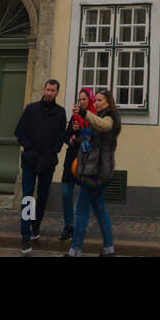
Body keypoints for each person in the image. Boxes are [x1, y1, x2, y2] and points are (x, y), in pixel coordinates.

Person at [14, 79, 67, 255]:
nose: (49, 93)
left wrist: (53, 151)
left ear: (57, 92)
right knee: (28, 196)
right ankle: (25, 234)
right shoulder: (31, 109)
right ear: (43, 90)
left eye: (53, 90)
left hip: (48, 161)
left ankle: (36, 224)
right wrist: (29, 147)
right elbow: (19, 131)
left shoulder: (60, 113)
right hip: (30, 160)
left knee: (43, 196)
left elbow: (61, 135)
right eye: (47, 89)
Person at [66, 88, 121, 257]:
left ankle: (75, 251)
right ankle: (109, 249)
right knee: (99, 210)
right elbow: (91, 138)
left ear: (108, 102)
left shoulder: (110, 116)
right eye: (95, 100)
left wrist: (84, 113)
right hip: (96, 171)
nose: (96, 103)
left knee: (80, 210)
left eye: (100, 100)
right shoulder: (96, 117)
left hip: (95, 172)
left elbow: (104, 126)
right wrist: (77, 137)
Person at [58, 87, 93, 242]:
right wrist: (72, 132)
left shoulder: (93, 117)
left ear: (90, 100)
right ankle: (68, 225)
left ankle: (80, 227)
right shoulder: (75, 116)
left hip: (86, 161)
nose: (81, 102)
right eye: (79, 99)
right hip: (71, 159)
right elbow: (66, 137)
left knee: (83, 197)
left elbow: (92, 139)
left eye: (84, 99)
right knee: (66, 193)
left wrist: (79, 133)